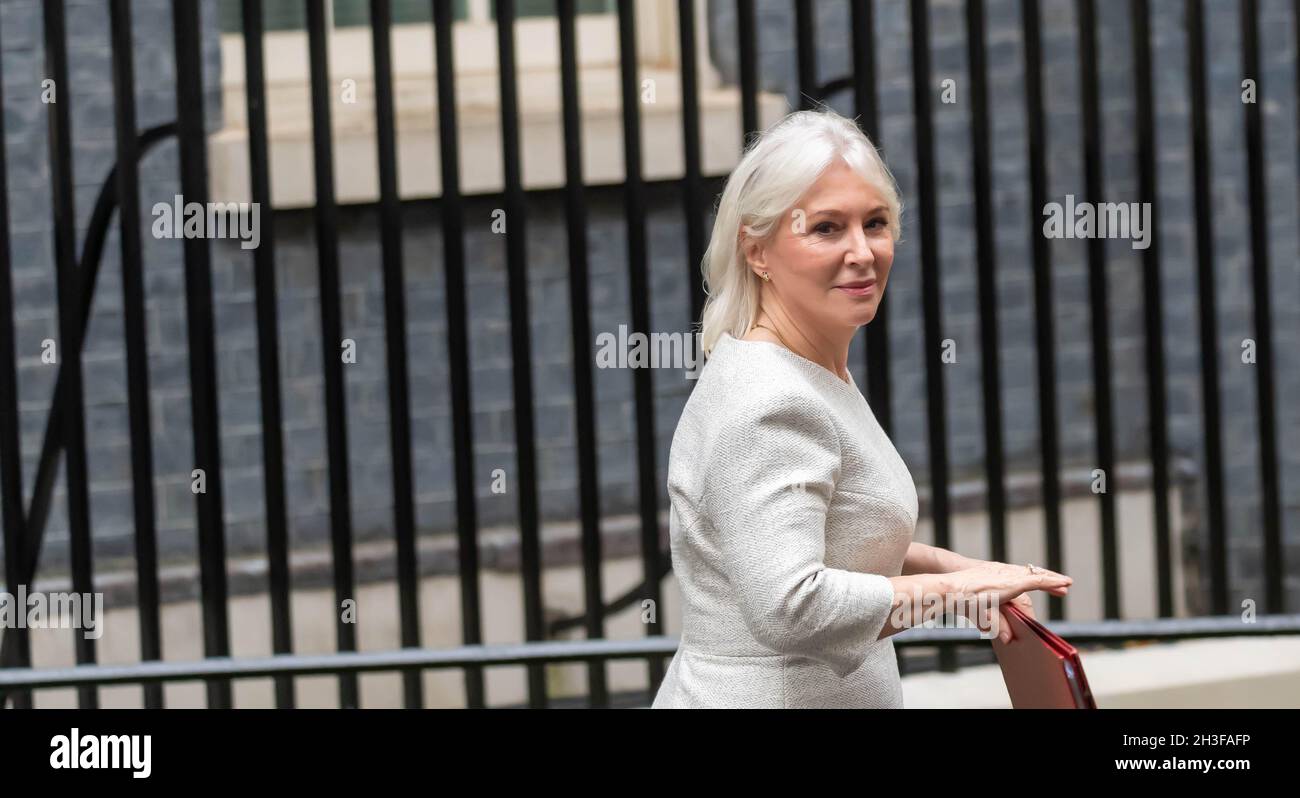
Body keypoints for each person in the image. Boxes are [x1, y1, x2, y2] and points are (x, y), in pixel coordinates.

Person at [651, 107, 1072, 708]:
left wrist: (962, 572)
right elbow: (792, 606)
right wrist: (959, 591)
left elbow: (838, 537)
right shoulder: (772, 402)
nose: (862, 252)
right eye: (826, 228)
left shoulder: (805, 368)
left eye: (875, 223)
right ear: (757, 250)